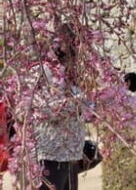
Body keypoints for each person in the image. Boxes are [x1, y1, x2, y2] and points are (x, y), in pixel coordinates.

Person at [31, 25, 86, 190]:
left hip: (71, 155)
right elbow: (40, 109)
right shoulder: (42, 72)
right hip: (51, 156)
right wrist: (76, 104)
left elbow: (86, 107)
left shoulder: (74, 73)